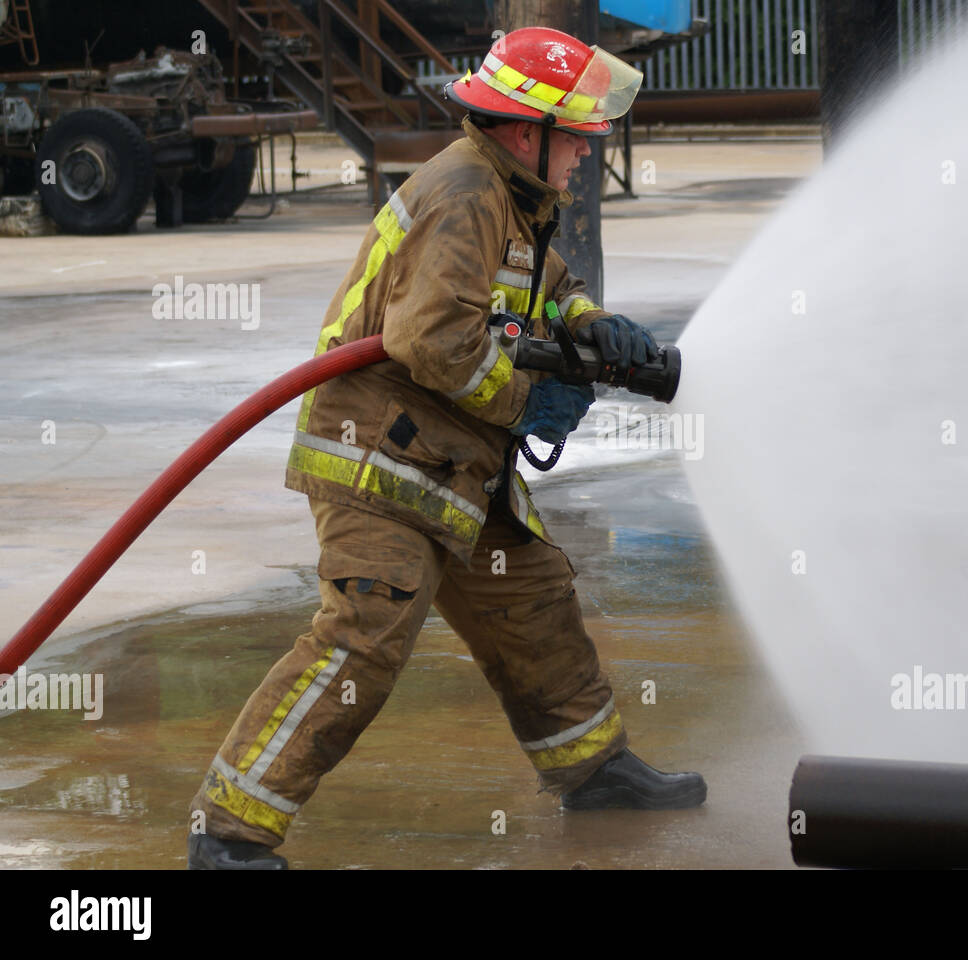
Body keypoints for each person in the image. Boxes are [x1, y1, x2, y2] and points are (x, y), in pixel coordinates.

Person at [187, 26, 705, 870]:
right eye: (575, 138)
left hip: (455, 464)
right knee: (366, 635)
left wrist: (589, 325)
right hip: (380, 462)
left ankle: (595, 771)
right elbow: (431, 340)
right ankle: (228, 835)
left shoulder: (513, 195)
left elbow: (549, 291)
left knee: (534, 606)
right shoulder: (467, 190)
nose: (583, 154)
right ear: (524, 129)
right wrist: (532, 403)